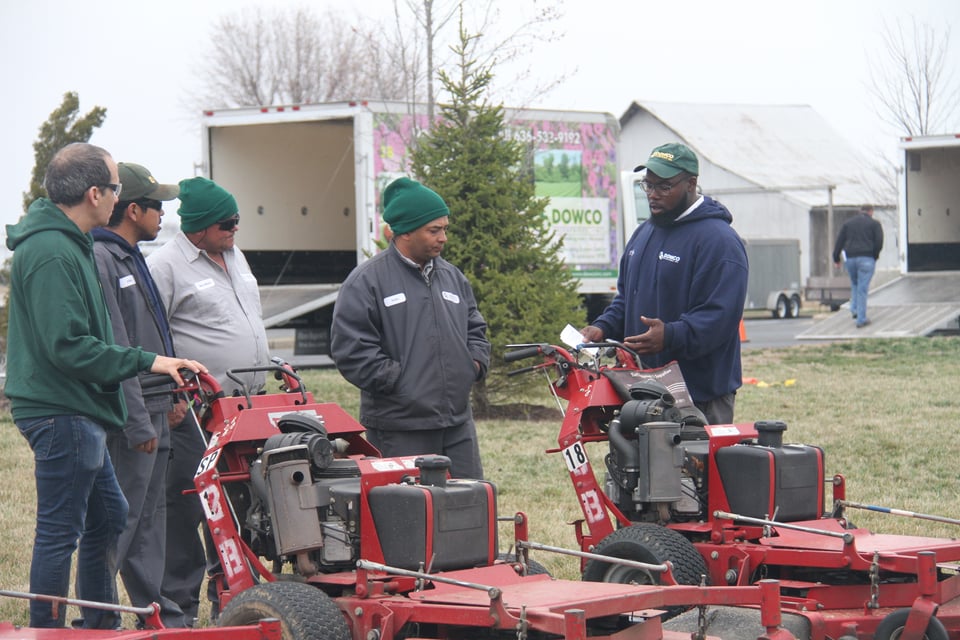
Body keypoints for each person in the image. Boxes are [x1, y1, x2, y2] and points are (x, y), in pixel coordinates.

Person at [4, 143, 205, 629]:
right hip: (61, 411)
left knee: (110, 517)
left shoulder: (70, 242)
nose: (119, 198)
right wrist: (151, 361)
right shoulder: (53, 252)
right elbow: (68, 347)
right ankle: (46, 631)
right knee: (60, 531)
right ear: (95, 193)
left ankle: (97, 624)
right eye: (115, 188)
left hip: (77, 408)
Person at [147, 176, 270, 625]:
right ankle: (178, 614)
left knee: (241, 506)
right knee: (187, 509)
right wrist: (167, 397)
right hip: (196, 411)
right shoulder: (165, 267)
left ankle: (235, 605)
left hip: (247, 406)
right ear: (198, 226)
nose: (235, 228)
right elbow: (149, 336)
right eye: (226, 222)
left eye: (237, 220)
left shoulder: (235, 256)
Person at [330, 177, 490, 479]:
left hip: (457, 424)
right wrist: (400, 381)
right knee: (410, 517)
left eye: (445, 228)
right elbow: (350, 351)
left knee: (470, 508)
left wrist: (473, 365)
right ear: (405, 231)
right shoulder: (367, 281)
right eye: (434, 230)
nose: (443, 237)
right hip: (400, 428)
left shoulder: (452, 277)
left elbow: (475, 328)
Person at [581, 143, 748, 425]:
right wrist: (603, 326)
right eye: (648, 185)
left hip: (699, 393)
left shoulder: (719, 241)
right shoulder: (643, 234)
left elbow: (720, 318)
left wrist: (670, 335)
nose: (653, 195)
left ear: (691, 183)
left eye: (664, 187)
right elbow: (626, 297)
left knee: (696, 469)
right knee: (643, 468)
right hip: (642, 388)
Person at [92, 162, 187, 628]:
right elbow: (117, 345)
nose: (163, 215)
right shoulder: (103, 259)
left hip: (155, 406)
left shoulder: (133, 256)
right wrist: (135, 420)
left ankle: (154, 615)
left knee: (151, 519)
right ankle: (98, 617)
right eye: (158, 206)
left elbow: (153, 335)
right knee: (123, 520)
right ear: (133, 209)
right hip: (135, 416)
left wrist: (170, 396)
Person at [832, 205, 883, 328]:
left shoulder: (848, 224)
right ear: (871, 212)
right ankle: (861, 319)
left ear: (860, 211)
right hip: (866, 258)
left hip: (850, 259)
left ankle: (854, 309)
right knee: (862, 288)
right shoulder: (875, 224)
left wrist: (836, 258)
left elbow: (839, 241)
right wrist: (874, 256)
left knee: (855, 284)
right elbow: (879, 242)